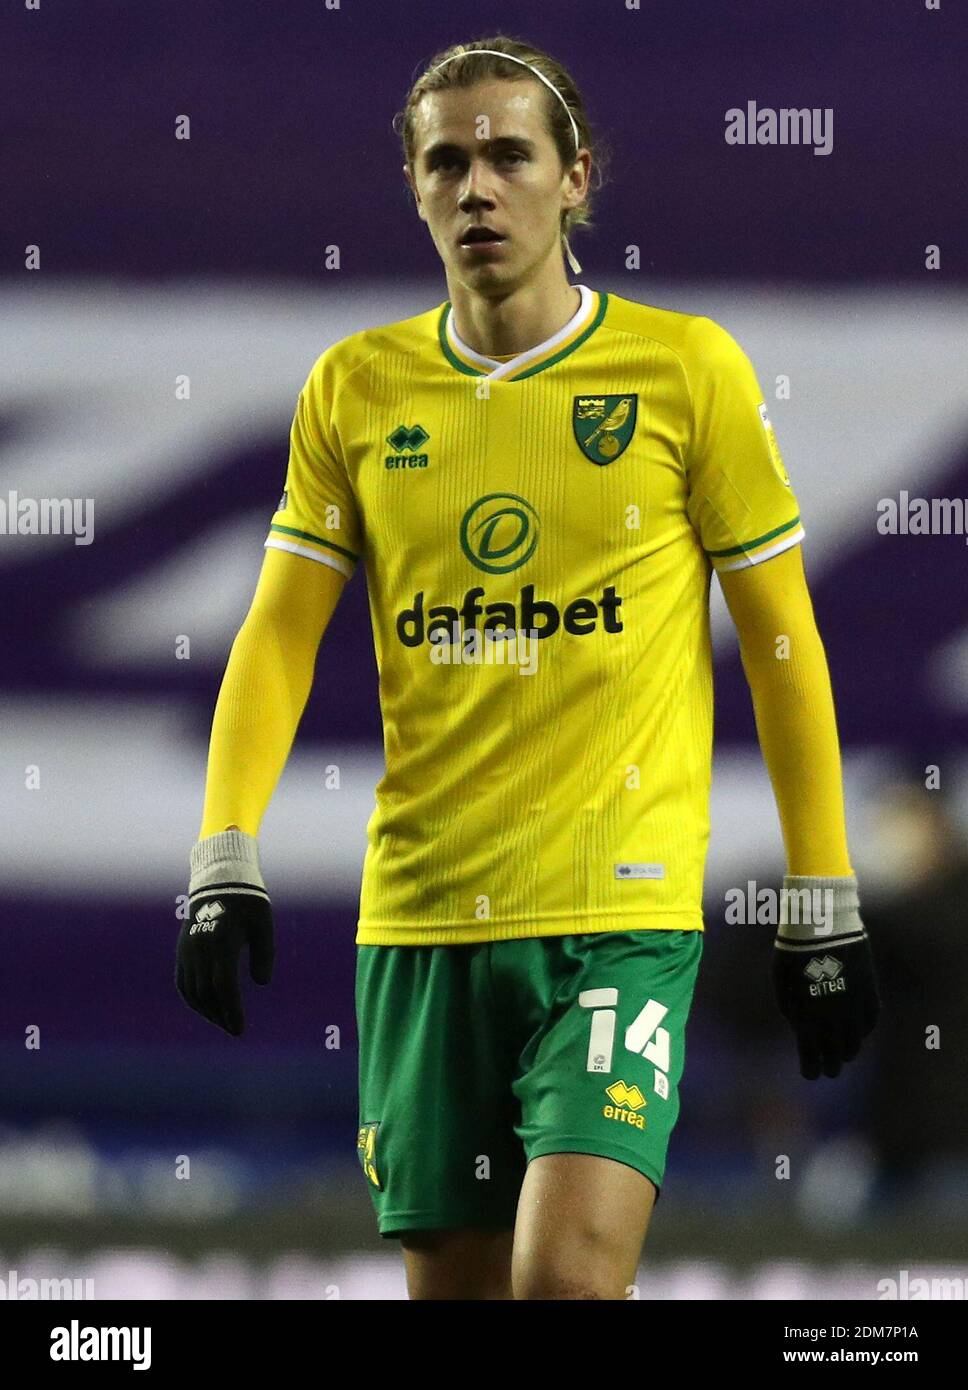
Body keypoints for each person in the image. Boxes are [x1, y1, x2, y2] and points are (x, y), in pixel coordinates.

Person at [175, 35, 879, 1300]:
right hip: (426, 917)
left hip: (619, 913)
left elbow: (780, 643)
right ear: (413, 188)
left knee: (563, 1281)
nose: (477, 187)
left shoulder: (681, 371)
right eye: (445, 162)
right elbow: (278, 633)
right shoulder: (355, 389)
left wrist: (818, 894)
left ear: (575, 178)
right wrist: (225, 851)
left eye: (508, 154)